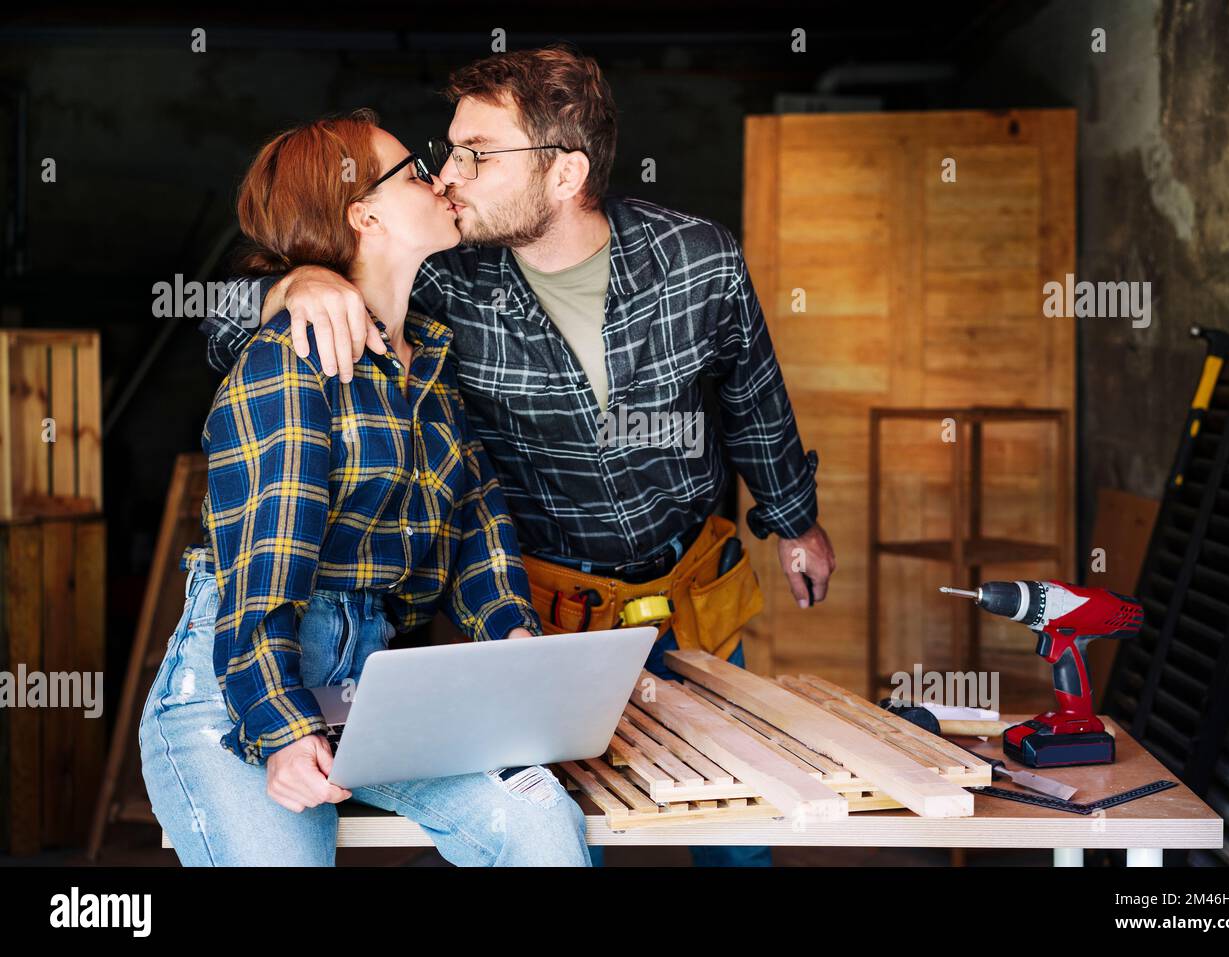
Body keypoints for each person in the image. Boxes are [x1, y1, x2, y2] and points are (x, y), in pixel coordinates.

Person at [202, 46, 836, 866]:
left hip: (691, 595)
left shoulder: (698, 259)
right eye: (448, 150)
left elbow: (754, 396)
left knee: (734, 825)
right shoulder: (443, 278)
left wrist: (795, 522)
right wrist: (296, 286)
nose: (449, 175)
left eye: (478, 154)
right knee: (564, 825)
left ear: (565, 174)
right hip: (542, 613)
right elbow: (224, 324)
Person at [139, 108, 590, 866]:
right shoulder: (291, 358)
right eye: (417, 170)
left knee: (541, 823)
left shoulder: (431, 362)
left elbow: (476, 522)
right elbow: (264, 569)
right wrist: (282, 728)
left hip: (372, 692)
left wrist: (514, 643)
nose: (442, 177)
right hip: (240, 689)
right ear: (363, 212)